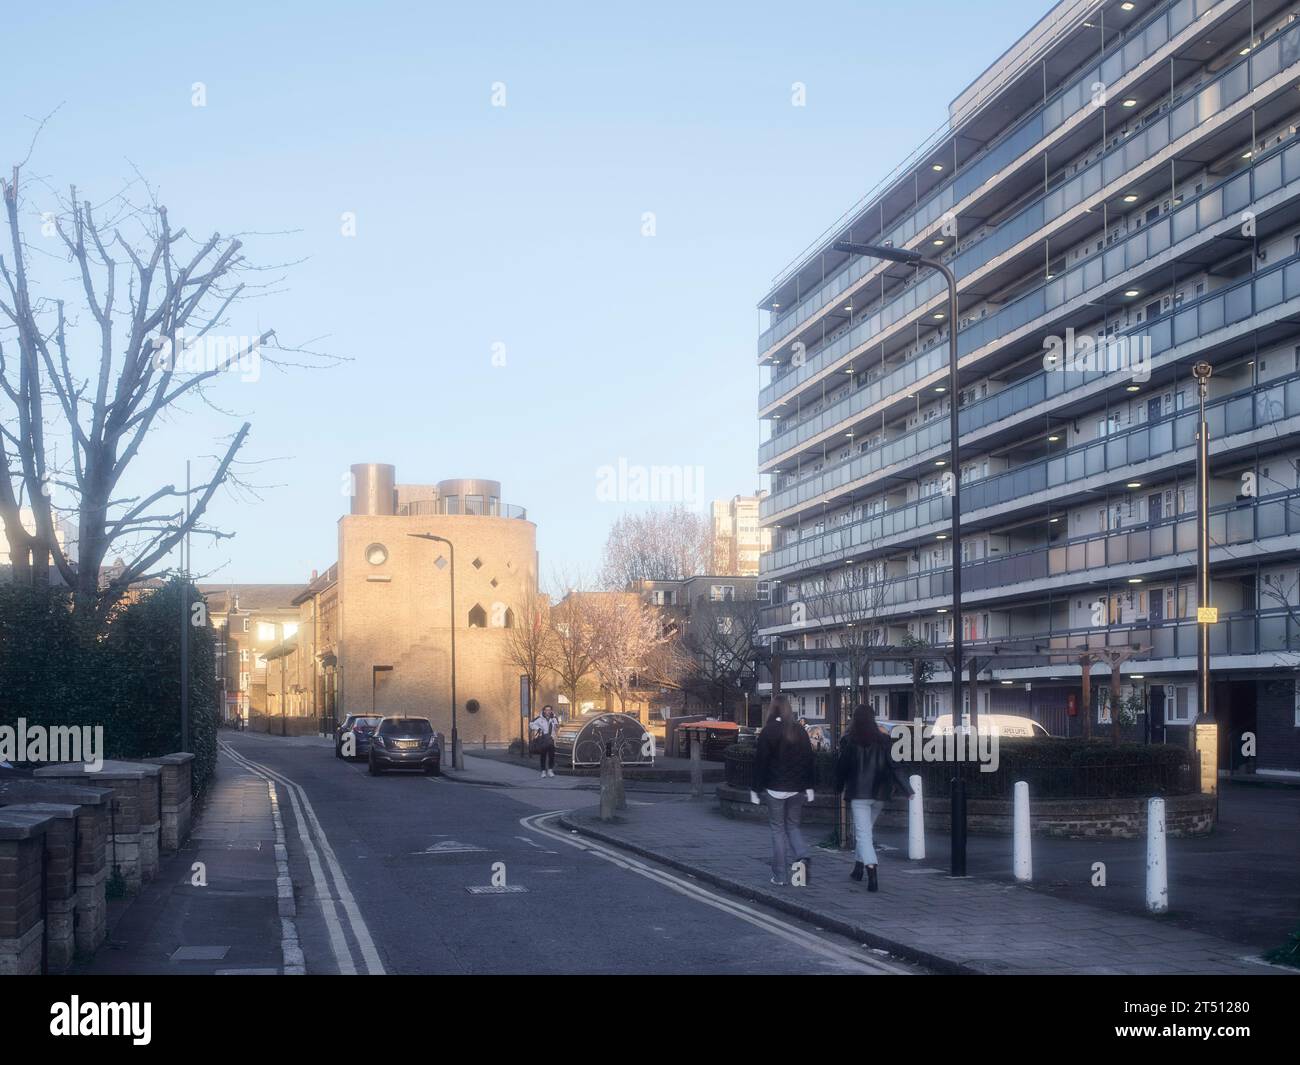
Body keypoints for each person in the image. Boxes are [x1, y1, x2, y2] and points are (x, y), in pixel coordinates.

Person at [834, 703, 913, 892]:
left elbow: (841, 768)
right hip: (879, 794)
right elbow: (895, 766)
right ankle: (858, 868)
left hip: (859, 794)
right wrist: (907, 789)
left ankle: (871, 869)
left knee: (863, 833)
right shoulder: (884, 740)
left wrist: (837, 787)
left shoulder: (849, 740)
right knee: (865, 832)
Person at [750, 695, 815, 886]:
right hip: (797, 789)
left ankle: (779, 877)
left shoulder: (768, 731)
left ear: (773, 709)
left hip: (774, 789)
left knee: (777, 830)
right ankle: (802, 856)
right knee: (793, 826)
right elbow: (809, 760)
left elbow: (760, 762)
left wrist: (755, 789)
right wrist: (810, 786)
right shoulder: (800, 731)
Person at [529, 704, 560, 777]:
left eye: (549, 710)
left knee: (551, 756)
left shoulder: (554, 718)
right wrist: (538, 728)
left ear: (551, 711)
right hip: (543, 739)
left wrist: (557, 728)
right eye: (546, 710)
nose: (548, 711)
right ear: (544, 711)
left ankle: (550, 770)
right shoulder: (540, 718)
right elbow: (531, 724)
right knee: (543, 755)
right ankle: (543, 771)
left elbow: (557, 727)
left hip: (551, 739)